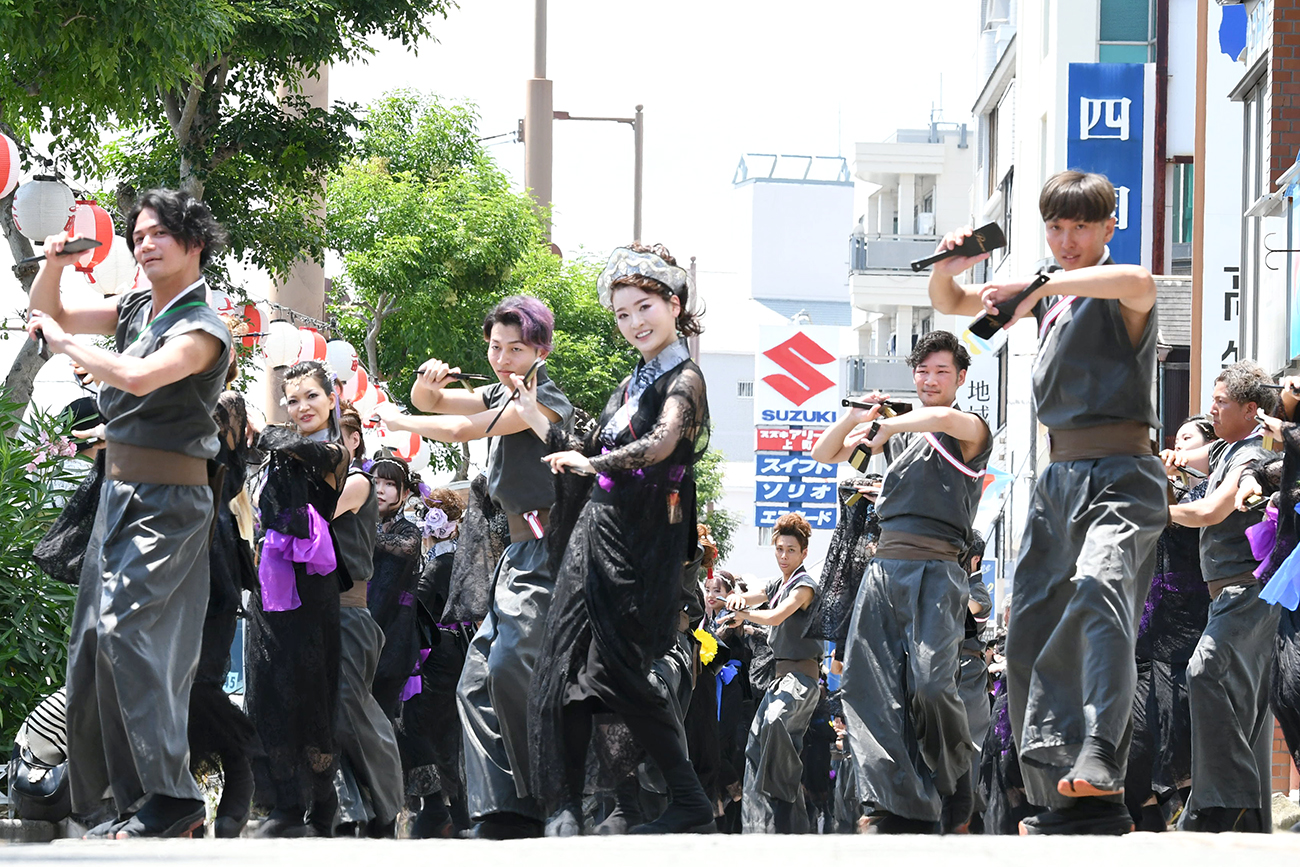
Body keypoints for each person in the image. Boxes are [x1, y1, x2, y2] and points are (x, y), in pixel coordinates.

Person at [928, 170, 1167, 835]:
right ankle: (1067, 799)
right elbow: (954, 304)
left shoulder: (1119, 290)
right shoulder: (1051, 298)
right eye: (1055, 228)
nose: (1066, 240)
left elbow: (1141, 283)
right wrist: (951, 266)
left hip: (1122, 472)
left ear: (1109, 227)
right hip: (1055, 480)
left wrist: (1035, 286)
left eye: (1081, 227)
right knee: (1030, 626)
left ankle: (1099, 754)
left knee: (1101, 587)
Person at [29, 189, 232, 839]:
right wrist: (54, 264)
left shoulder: (203, 328)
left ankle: (171, 796)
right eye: (137, 234)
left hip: (169, 503)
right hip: (116, 496)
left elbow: (139, 377)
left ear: (193, 243)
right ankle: (112, 805)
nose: (142, 243)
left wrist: (62, 342)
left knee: (131, 635)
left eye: (157, 235)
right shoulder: (140, 306)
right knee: (91, 647)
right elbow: (47, 313)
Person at [516, 243, 712, 836]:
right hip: (598, 531)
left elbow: (661, 444)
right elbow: (587, 449)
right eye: (623, 313)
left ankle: (682, 799)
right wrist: (542, 422)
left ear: (673, 304)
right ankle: (568, 808)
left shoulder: (686, 378)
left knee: (615, 676)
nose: (634, 323)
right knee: (564, 670)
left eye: (644, 306)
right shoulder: (630, 384)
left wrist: (587, 460)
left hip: (643, 542)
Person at [373, 296, 574, 838]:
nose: (503, 358)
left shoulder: (545, 397)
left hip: (547, 548)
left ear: (541, 349)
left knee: (511, 667)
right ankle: (509, 808)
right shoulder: (500, 388)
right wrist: (425, 383)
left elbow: (465, 429)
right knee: (477, 680)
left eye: (516, 348)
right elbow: (436, 399)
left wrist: (398, 418)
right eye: (495, 347)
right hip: (514, 551)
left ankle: (551, 798)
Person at [810, 330, 991, 834]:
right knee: (870, 690)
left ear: (959, 378)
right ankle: (894, 803)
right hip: (883, 570)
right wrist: (859, 416)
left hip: (938, 571)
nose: (931, 380)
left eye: (941, 372)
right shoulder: (897, 430)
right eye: (923, 371)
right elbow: (824, 455)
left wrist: (890, 425)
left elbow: (938, 418)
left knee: (933, 685)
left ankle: (955, 782)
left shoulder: (968, 427)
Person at [1168, 362, 1278, 832]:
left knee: (1206, 672)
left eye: (1221, 402)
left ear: (1252, 410)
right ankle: (1247, 818)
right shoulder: (1228, 449)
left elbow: (1211, 512)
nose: (1211, 409)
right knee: (1244, 702)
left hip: (1248, 589)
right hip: (1233, 593)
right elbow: (1192, 462)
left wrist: (1155, 510)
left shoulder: (1255, 452)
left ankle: (1219, 805)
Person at [245, 360, 352, 837]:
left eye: (311, 395)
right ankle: (284, 803)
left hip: (310, 588)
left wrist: (260, 430)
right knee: (266, 689)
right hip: (268, 585)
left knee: (309, 689)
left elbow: (279, 441)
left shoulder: (331, 451)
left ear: (332, 398)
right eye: (292, 399)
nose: (301, 406)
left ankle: (321, 799)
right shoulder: (278, 453)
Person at [1126, 416, 1216, 831]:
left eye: (1187, 437)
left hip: (1187, 618)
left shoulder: (1210, 490)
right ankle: (1144, 802)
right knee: (1139, 722)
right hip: (1148, 622)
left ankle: (1180, 797)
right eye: (1174, 438)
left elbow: (1184, 519)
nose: (1176, 445)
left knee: (1177, 712)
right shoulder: (1167, 485)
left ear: (1209, 447)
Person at [330, 405, 404, 838]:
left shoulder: (356, 482)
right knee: (324, 711)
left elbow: (309, 517)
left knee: (349, 706)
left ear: (354, 439)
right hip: (308, 613)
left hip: (350, 614)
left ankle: (387, 802)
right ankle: (347, 807)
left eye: (334, 432)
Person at [724, 512, 821, 834]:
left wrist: (745, 612)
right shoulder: (779, 583)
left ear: (804, 553)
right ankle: (767, 826)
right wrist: (737, 599)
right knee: (757, 744)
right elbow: (756, 595)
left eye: (791, 550)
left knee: (775, 722)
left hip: (801, 679)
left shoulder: (804, 586)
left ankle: (783, 811)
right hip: (781, 679)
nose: (783, 556)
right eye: (779, 549)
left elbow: (777, 615)